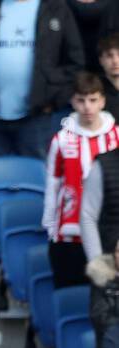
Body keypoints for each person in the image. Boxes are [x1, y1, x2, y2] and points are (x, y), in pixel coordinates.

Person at [0, 0, 83, 159]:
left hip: (37, 117)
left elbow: (75, 62)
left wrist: (53, 101)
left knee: (37, 181)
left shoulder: (55, 7)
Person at [44, 73, 119, 287]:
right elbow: (53, 183)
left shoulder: (116, 137)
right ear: (72, 101)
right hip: (69, 234)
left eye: (93, 100)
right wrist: (50, 226)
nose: (87, 107)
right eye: (81, 100)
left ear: (103, 101)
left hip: (108, 238)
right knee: (68, 292)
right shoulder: (61, 139)